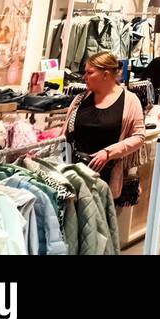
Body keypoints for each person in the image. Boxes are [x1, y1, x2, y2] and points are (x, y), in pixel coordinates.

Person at [63, 51, 146, 206]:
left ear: (105, 74)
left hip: (106, 178)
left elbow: (139, 136)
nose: (84, 77)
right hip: (75, 175)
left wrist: (108, 153)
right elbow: (65, 133)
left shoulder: (129, 100)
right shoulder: (80, 99)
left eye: (89, 72)